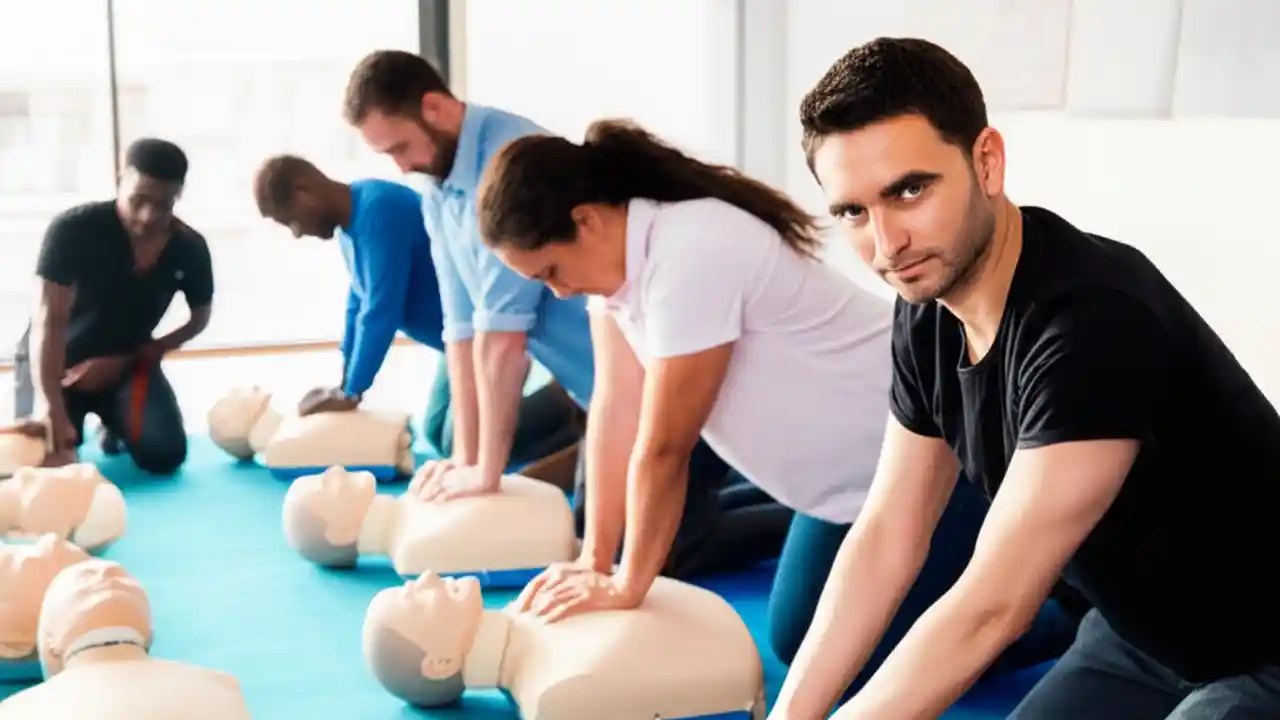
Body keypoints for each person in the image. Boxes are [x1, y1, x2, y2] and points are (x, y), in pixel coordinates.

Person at [474, 118, 1082, 695]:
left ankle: (1068, 610)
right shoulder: (616, 279)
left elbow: (664, 447)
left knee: (882, 647)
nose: (556, 291)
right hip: (846, 494)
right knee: (800, 636)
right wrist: (593, 560)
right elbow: (613, 413)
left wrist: (629, 584)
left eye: (552, 270)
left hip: (941, 459)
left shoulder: (689, 250)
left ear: (585, 221)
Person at [786, 36, 1280, 720]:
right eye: (853, 212)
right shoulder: (927, 307)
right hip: (1139, 635)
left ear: (986, 161)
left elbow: (993, 606)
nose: (885, 243)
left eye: (909, 190)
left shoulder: (1093, 321)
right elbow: (888, 533)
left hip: (1264, 651)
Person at [342, 51, 783, 578]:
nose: (401, 166)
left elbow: (503, 344)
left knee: (658, 553)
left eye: (399, 147)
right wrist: (466, 459)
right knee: (597, 533)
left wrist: (488, 469)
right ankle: (739, 486)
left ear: (433, 108)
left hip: (675, 387)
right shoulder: (436, 186)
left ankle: (796, 510)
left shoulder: (505, 164)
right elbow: (462, 331)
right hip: (606, 394)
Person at [251, 154, 580, 468]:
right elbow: (358, 305)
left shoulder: (378, 209)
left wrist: (353, 391)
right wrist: (342, 381)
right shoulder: (349, 231)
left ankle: (566, 406)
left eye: (291, 220)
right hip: (451, 345)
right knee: (435, 431)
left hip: (478, 338)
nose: (296, 232)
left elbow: (382, 309)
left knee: (460, 443)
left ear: (303, 189)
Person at [13, 138, 211, 475]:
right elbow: (50, 323)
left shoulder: (189, 246)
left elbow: (199, 318)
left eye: (163, 205)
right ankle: (63, 420)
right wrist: (51, 408)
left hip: (126, 365)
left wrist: (140, 355)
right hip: (56, 366)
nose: (148, 216)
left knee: (165, 454)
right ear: (121, 179)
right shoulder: (73, 230)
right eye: (139, 200)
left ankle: (115, 424)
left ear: (178, 196)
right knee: (40, 461)